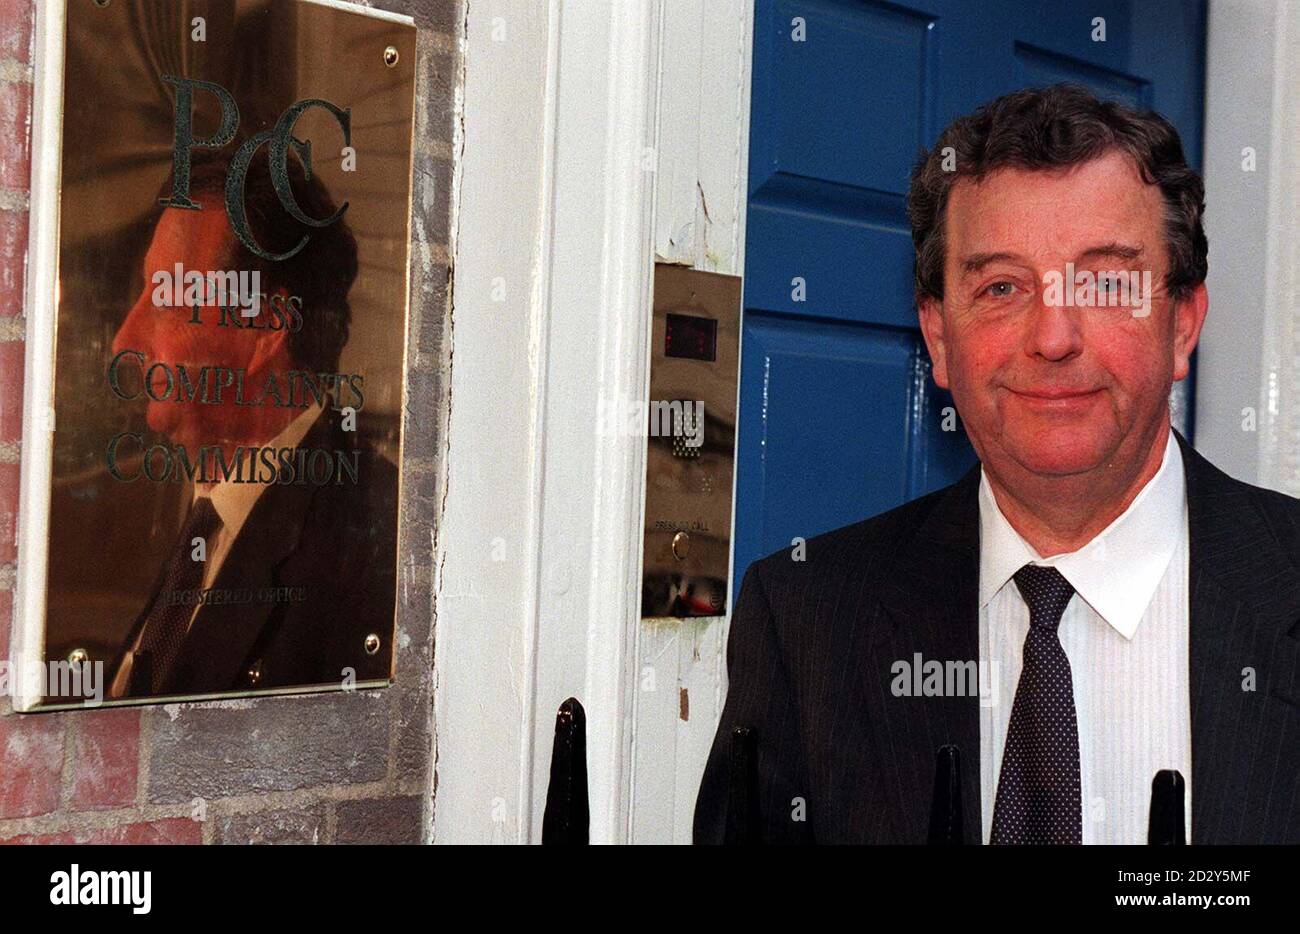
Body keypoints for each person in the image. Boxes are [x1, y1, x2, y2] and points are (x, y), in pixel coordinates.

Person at [694, 84, 1300, 844]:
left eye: (1106, 282)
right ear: (939, 339)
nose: (1053, 337)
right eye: (1003, 287)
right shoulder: (806, 622)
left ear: (1182, 322)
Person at [105, 147, 397, 699]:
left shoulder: (370, 549)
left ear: (265, 327)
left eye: (167, 297)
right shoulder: (196, 515)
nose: (125, 339)